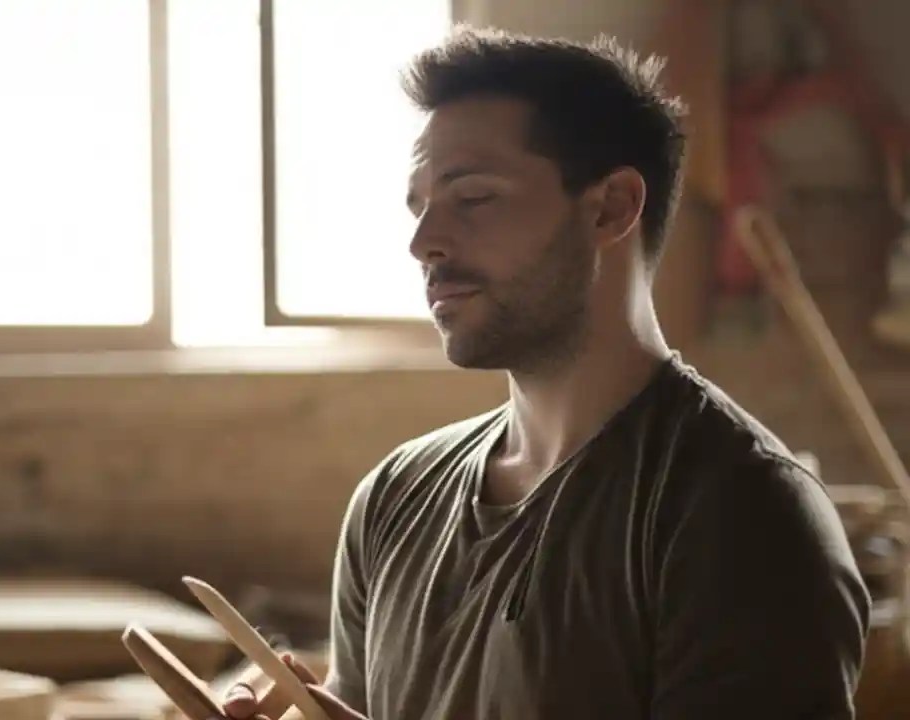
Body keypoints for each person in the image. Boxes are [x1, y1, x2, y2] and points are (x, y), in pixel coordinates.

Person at [215, 26, 871, 720]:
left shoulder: (741, 515)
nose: (422, 242)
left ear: (612, 207)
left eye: (472, 199)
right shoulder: (392, 499)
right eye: (420, 206)